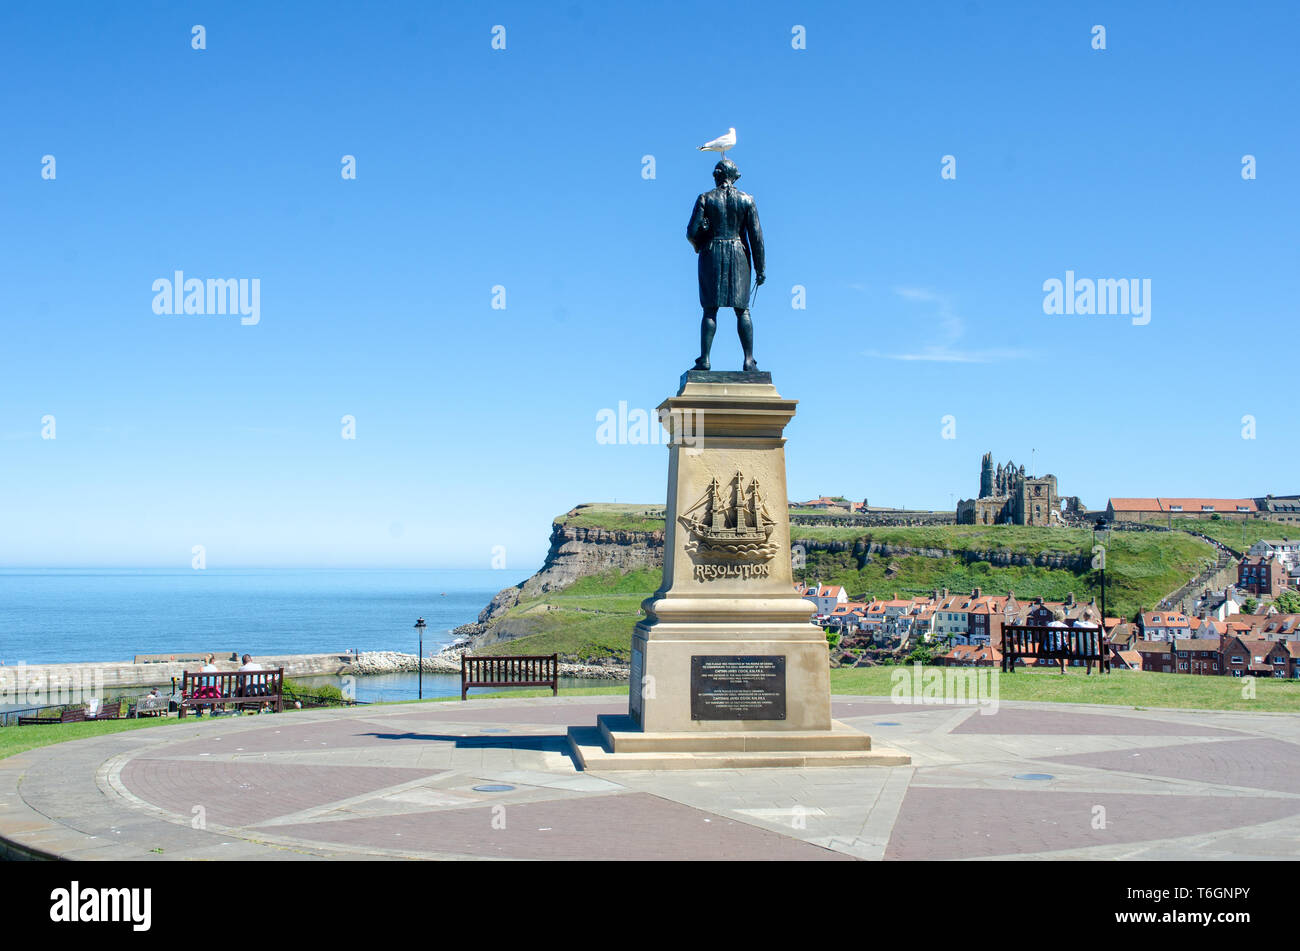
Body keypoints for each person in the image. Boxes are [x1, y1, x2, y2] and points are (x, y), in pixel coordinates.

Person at [687, 159, 766, 372]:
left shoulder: (705, 198)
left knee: (710, 310)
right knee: (743, 310)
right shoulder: (747, 200)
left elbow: (691, 233)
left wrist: (703, 237)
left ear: (717, 176)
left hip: (712, 253)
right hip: (738, 253)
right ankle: (749, 360)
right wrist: (760, 267)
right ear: (734, 176)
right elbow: (756, 236)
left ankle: (705, 359)